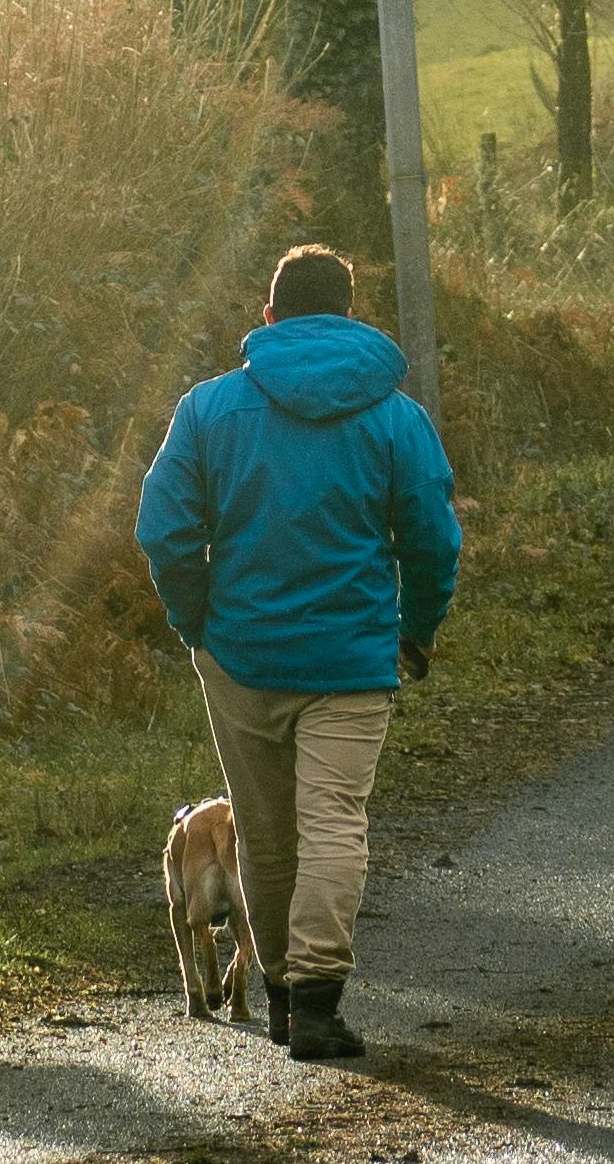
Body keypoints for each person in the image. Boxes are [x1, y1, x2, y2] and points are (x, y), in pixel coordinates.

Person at [136, 240, 461, 1064]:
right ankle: (316, 1004)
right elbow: (431, 537)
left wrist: (196, 623)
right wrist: (414, 630)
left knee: (264, 831)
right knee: (332, 824)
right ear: (350, 316)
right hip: (352, 660)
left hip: (240, 654)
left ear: (268, 314)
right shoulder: (395, 416)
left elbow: (163, 529)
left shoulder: (209, 410)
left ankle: (279, 994)